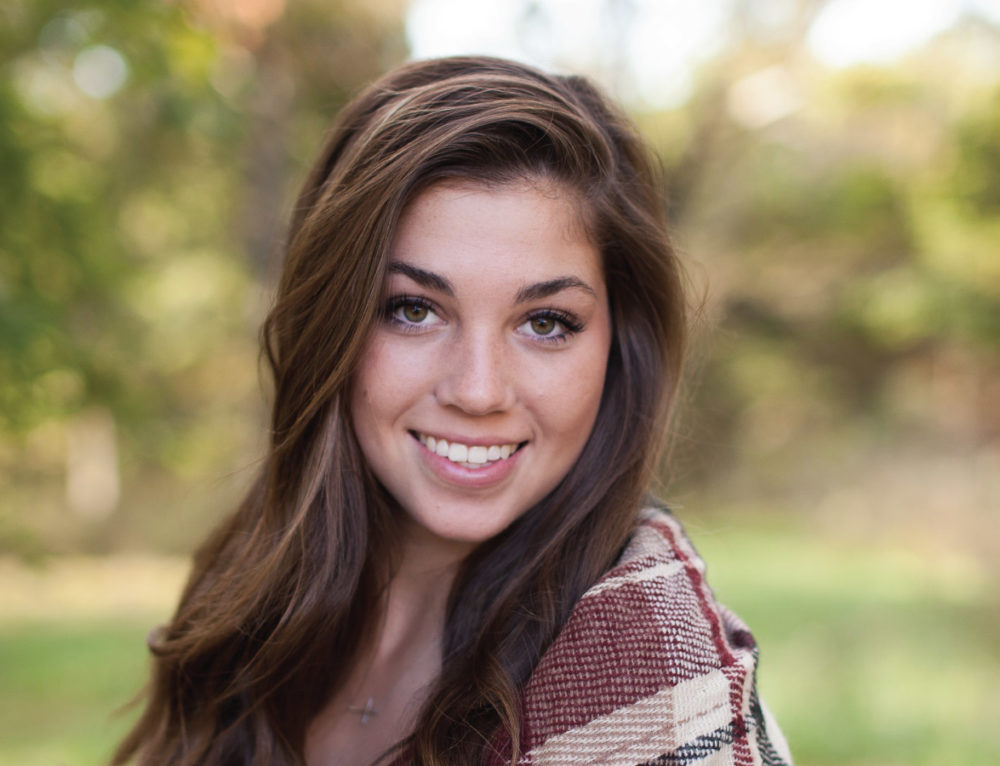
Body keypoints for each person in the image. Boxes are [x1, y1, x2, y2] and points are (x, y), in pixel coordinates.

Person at [113, 56, 792, 766]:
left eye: (546, 322)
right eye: (414, 310)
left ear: (618, 349)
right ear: (331, 323)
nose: (477, 390)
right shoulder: (255, 583)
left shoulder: (665, 689)